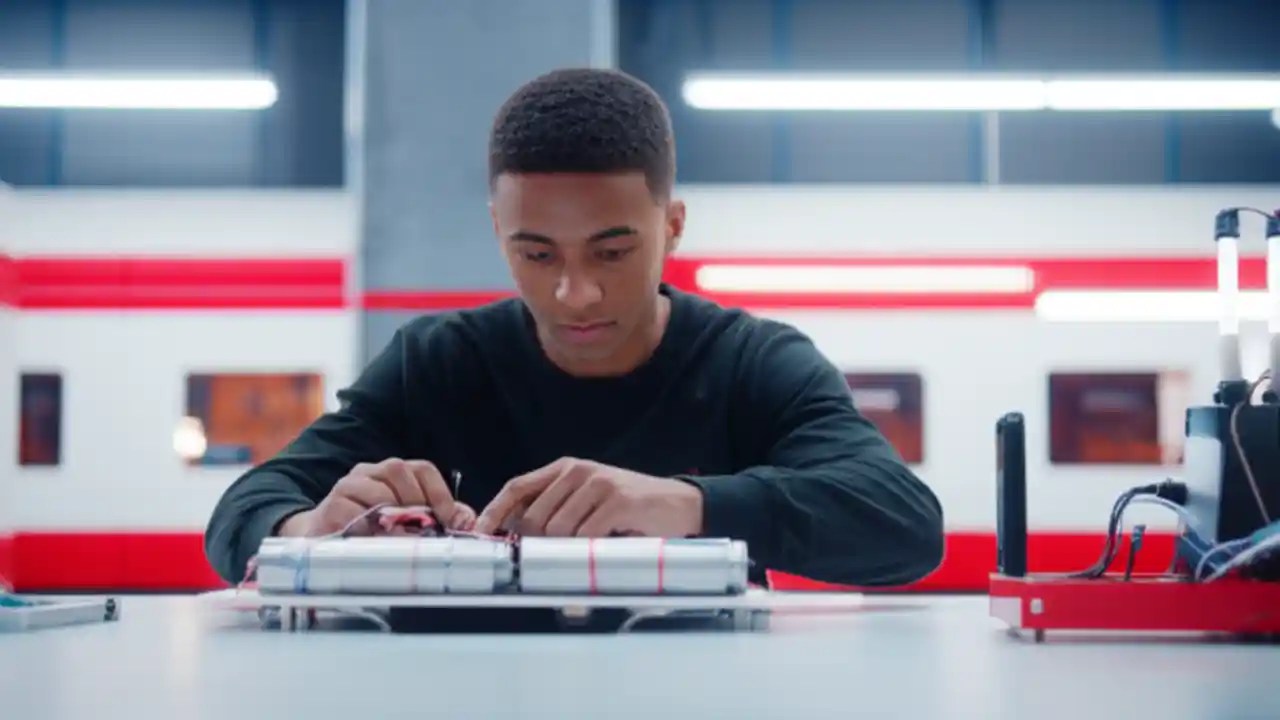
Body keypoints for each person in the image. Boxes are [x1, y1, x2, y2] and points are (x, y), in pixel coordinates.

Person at [204, 67, 944, 589]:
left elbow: (904, 527)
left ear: (673, 227)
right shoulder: (437, 363)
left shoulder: (751, 360)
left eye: (613, 251)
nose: (575, 292)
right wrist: (317, 532)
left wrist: (685, 503)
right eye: (535, 252)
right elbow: (242, 510)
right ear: (498, 232)